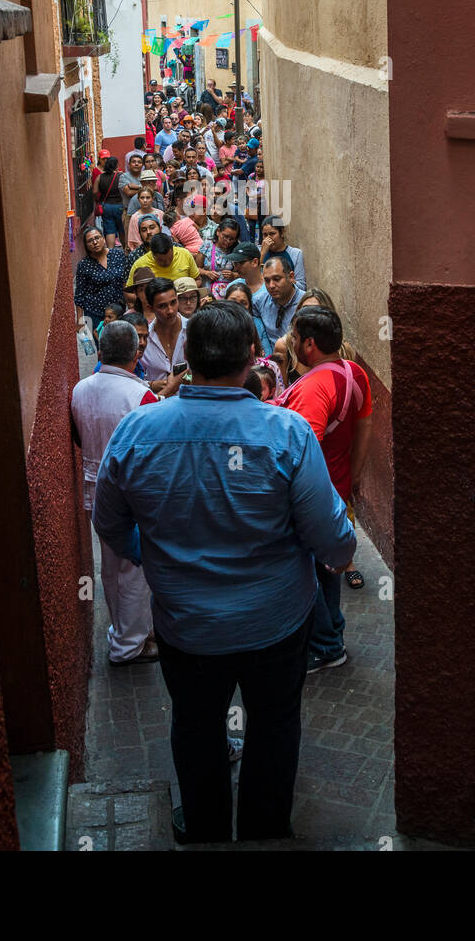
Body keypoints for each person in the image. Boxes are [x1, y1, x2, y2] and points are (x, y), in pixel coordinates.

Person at [93, 302, 356, 843]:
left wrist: (155, 554)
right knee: (275, 726)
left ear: (186, 358)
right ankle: (263, 828)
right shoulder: (286, 434)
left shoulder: (138, 431)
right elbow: (332, 539)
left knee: (195, 727)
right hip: (276, 625)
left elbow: (110, 523)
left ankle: (207, 827)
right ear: (250, 359)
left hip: (186, 626)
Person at [279, 308, 373, 672]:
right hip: (335, 488)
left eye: (293, 335)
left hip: (311, 498)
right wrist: (352, 480)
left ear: (309, 344)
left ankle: (324, 645)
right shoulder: (355, 373)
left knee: (308, 571)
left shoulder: (316, 386)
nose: (289, 341)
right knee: (327, 568)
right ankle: (331, 637)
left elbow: (302, 452)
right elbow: (365, 429)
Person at [72, 321, 160, 665]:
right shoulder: (139, 396)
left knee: (111, 567)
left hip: (95, 490)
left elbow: (80, 438)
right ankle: (129, 644)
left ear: (101, 350)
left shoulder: (80, 389)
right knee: (134, 569)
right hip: (132, 496)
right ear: (134, 353)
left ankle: (127, 633)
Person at [74, 226, 128, 330]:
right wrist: (80, 321)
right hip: (96, 314)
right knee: (102, 344)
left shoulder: (118, 255)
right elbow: (79, 296)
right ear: (86, 245)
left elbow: (126, 281)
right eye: (90, 241)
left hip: (118, 311)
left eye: (97, 238)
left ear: (103, 239)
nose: (95, 242)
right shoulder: (84, 265)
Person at [142, 278, 189, 393]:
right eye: (162, 306)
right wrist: (150, 385)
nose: (170, 311)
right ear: (150, 308)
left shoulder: (193, 330)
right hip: (156, 405)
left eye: (173, 302)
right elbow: (130, 379)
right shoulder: (144, 338)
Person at [255, 254, 305, 343]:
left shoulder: (305, 303)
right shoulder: (260, 302)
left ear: (291, 277)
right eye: (267, 281)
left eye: (277, 279)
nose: (271, 286)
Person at [127, 232, 200, 288]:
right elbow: (129, 293)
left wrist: (187, 289)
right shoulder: (140, 264)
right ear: (152, 254)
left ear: (173, 249)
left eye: (170, 258)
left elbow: (198, 280)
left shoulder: (184, 254)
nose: (167, 263)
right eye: (161, 261)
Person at [224, 279, 274, 356]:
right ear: (225, 302)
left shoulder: (257, 324)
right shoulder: (219, 324)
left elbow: (268, 355)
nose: (238, 306)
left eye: (243, 303)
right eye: (233, 301)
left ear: (250, 307)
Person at [261, 217, 306, 291]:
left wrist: (286, 280)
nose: (268, 239)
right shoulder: (260, 252)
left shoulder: (295, 254)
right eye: (265, 235)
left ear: (281, 233)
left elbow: (302, 287)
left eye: (272, 234)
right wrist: (262, 254)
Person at [198, 217, 240, 289]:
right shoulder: (207, 246)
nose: (228, 241)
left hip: (228, 292)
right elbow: (196, 269)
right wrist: (207, 273)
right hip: (208, 291)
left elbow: (243, 274)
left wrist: (234, 275)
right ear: (218, 231)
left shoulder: (236, 250)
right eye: (225, 236)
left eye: (232, 239)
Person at [94, 157, 126, 246]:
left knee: (109, 230)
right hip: (119, 205)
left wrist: (98, 199)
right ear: (116, 165)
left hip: (106, 206)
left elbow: (95, 192)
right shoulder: (120, 176)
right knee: (121, 229)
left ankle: (110, 252)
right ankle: (125, 251)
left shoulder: (100, 177)